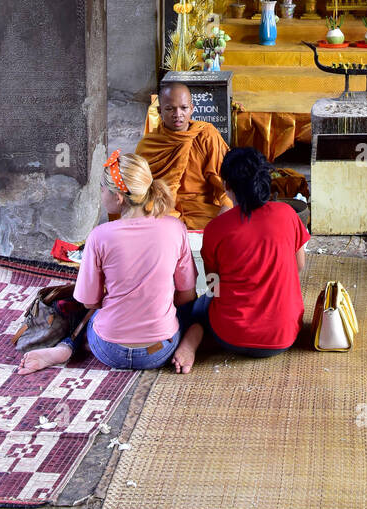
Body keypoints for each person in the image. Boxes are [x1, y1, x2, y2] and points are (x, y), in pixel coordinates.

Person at [16, 152, 201, 375]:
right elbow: (187, 295)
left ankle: (67, 346)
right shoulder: (175, 228)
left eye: (103, 189)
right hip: (159, 351)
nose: (101, 194)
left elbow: (88, 302)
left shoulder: (99, 236)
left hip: (108, 350)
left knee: (95, 312)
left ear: (118, 198)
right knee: (196, 310)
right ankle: (188, 344)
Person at [176, 146, 310, 366]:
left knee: (199, 304)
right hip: (284, 336)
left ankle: (190, 343)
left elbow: (213, 284)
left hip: (230, 335)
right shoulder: (287, 215)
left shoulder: (216, 228)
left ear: (226, 186)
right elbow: (299, 265)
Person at [135, 81, 232, 230]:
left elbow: (225, 181)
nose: (177, 115)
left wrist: (226, 208)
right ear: (160, 111)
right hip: (162, 212)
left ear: (192, 109)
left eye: (184, 108)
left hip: (202, 210)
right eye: (170, 109)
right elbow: (139, 188)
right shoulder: (149, 145)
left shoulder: (206, 135)